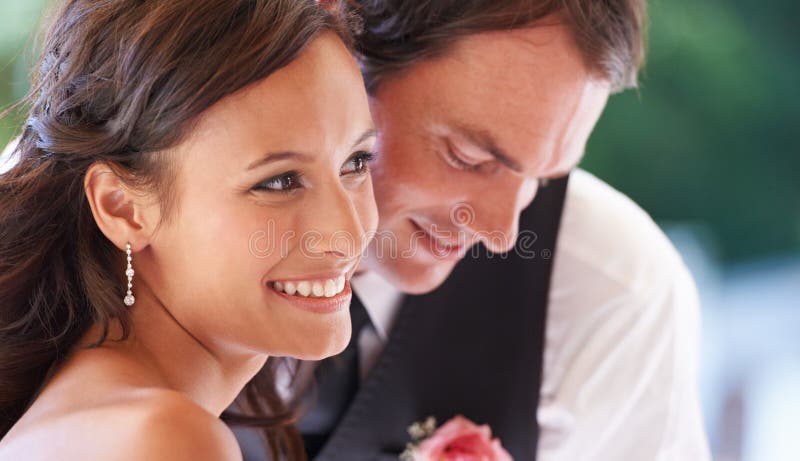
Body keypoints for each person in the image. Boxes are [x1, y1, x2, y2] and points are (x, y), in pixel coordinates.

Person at [236, 1, 711, 460]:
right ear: (337, 36)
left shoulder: (611, 295)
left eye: (542, 179)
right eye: (468, 157)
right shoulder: (175, 203)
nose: (502, 233)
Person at [0, 1, 377, 460]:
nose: (347, 230)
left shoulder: (99, 420)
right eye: (278, 182)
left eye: (356, 162)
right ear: (122, 208)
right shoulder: (162, 439)